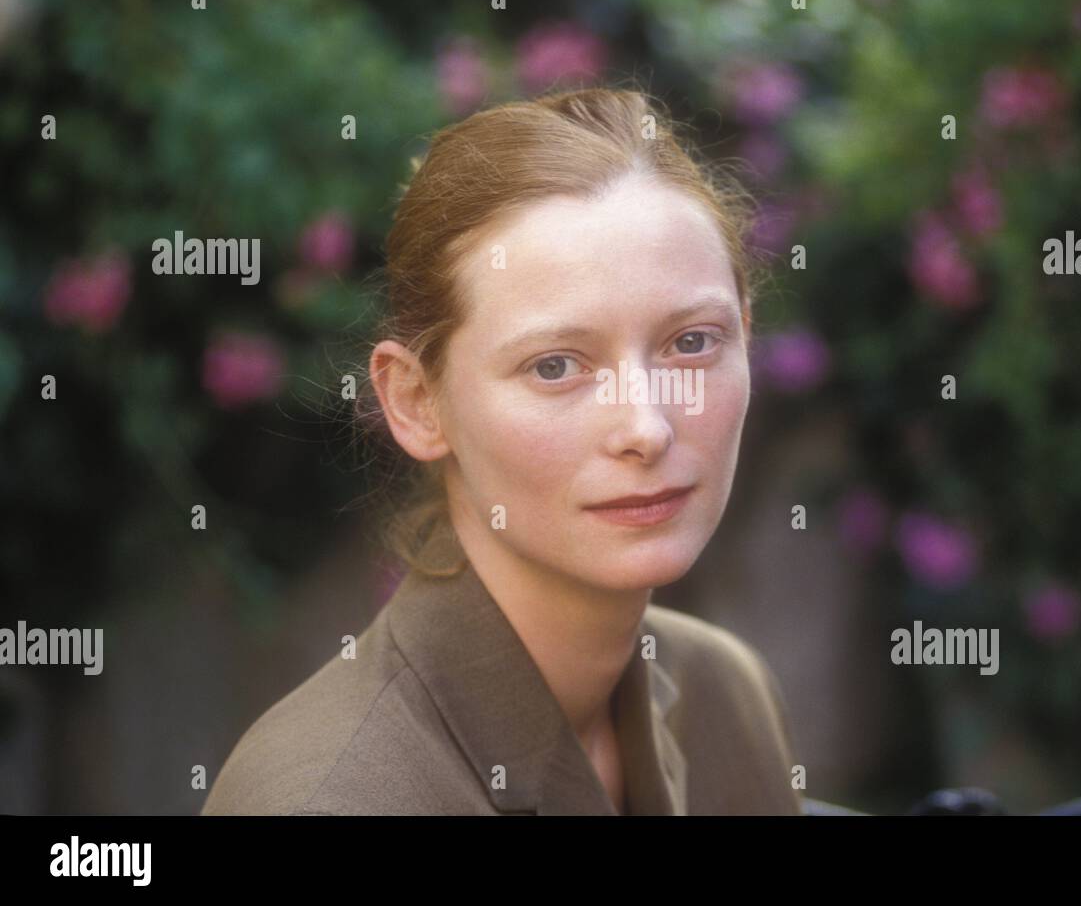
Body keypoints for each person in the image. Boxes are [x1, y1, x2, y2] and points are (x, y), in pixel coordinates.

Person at [202, 86, 804, 815]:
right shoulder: (331, 798)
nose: (647, 427)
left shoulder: (724, 696)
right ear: (417, 402)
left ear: (747, 331)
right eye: (555, 365)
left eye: (692, 343)